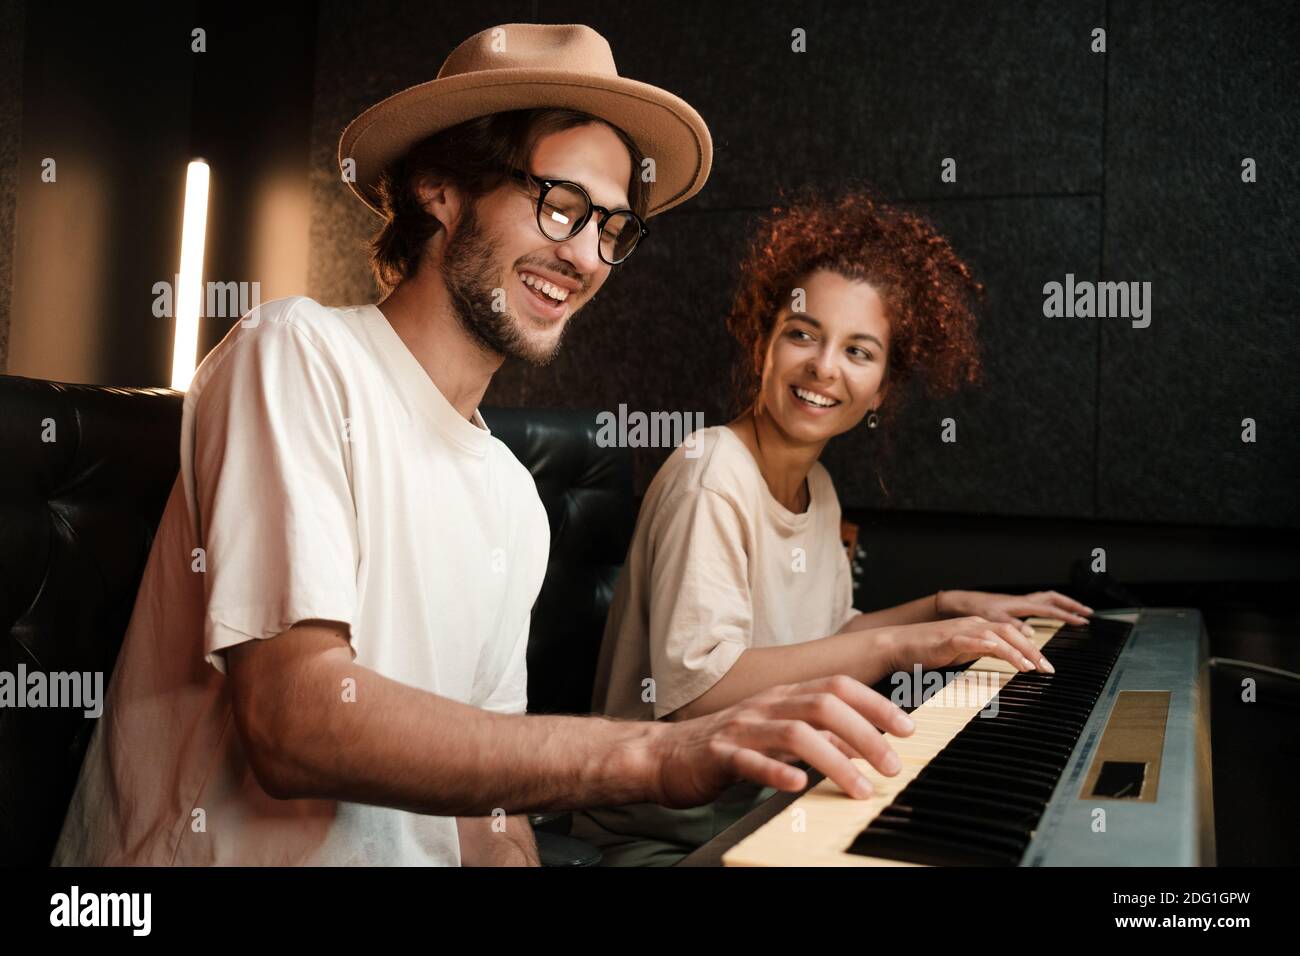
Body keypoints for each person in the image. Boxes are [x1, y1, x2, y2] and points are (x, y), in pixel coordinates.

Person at [52, 25, 915, 867]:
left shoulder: (512, 496)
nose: (585, 256)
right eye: (562, 206)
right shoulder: (298, 354)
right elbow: (294, 721)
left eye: (613, 229)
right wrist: (652, 755)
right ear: (440, 186)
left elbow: (486, 819)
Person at [574, 188, 1094, 865]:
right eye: (802, 334)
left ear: (879, 389)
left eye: (859, 351)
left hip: (769, 815)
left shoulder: (817, 488)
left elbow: (831, 636)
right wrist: (899, 649)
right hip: (662, 844)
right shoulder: (712, 473)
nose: (824, 367)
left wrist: (944, 608)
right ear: (762, 343)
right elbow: (696, 696)